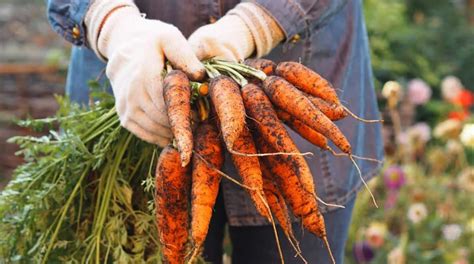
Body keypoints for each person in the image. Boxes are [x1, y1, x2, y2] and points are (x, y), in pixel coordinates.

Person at [47, 0, 383, 263]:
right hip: (132, 95)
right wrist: (114, 24)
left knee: (295, 231)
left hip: (300, 63)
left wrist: (256, 25)